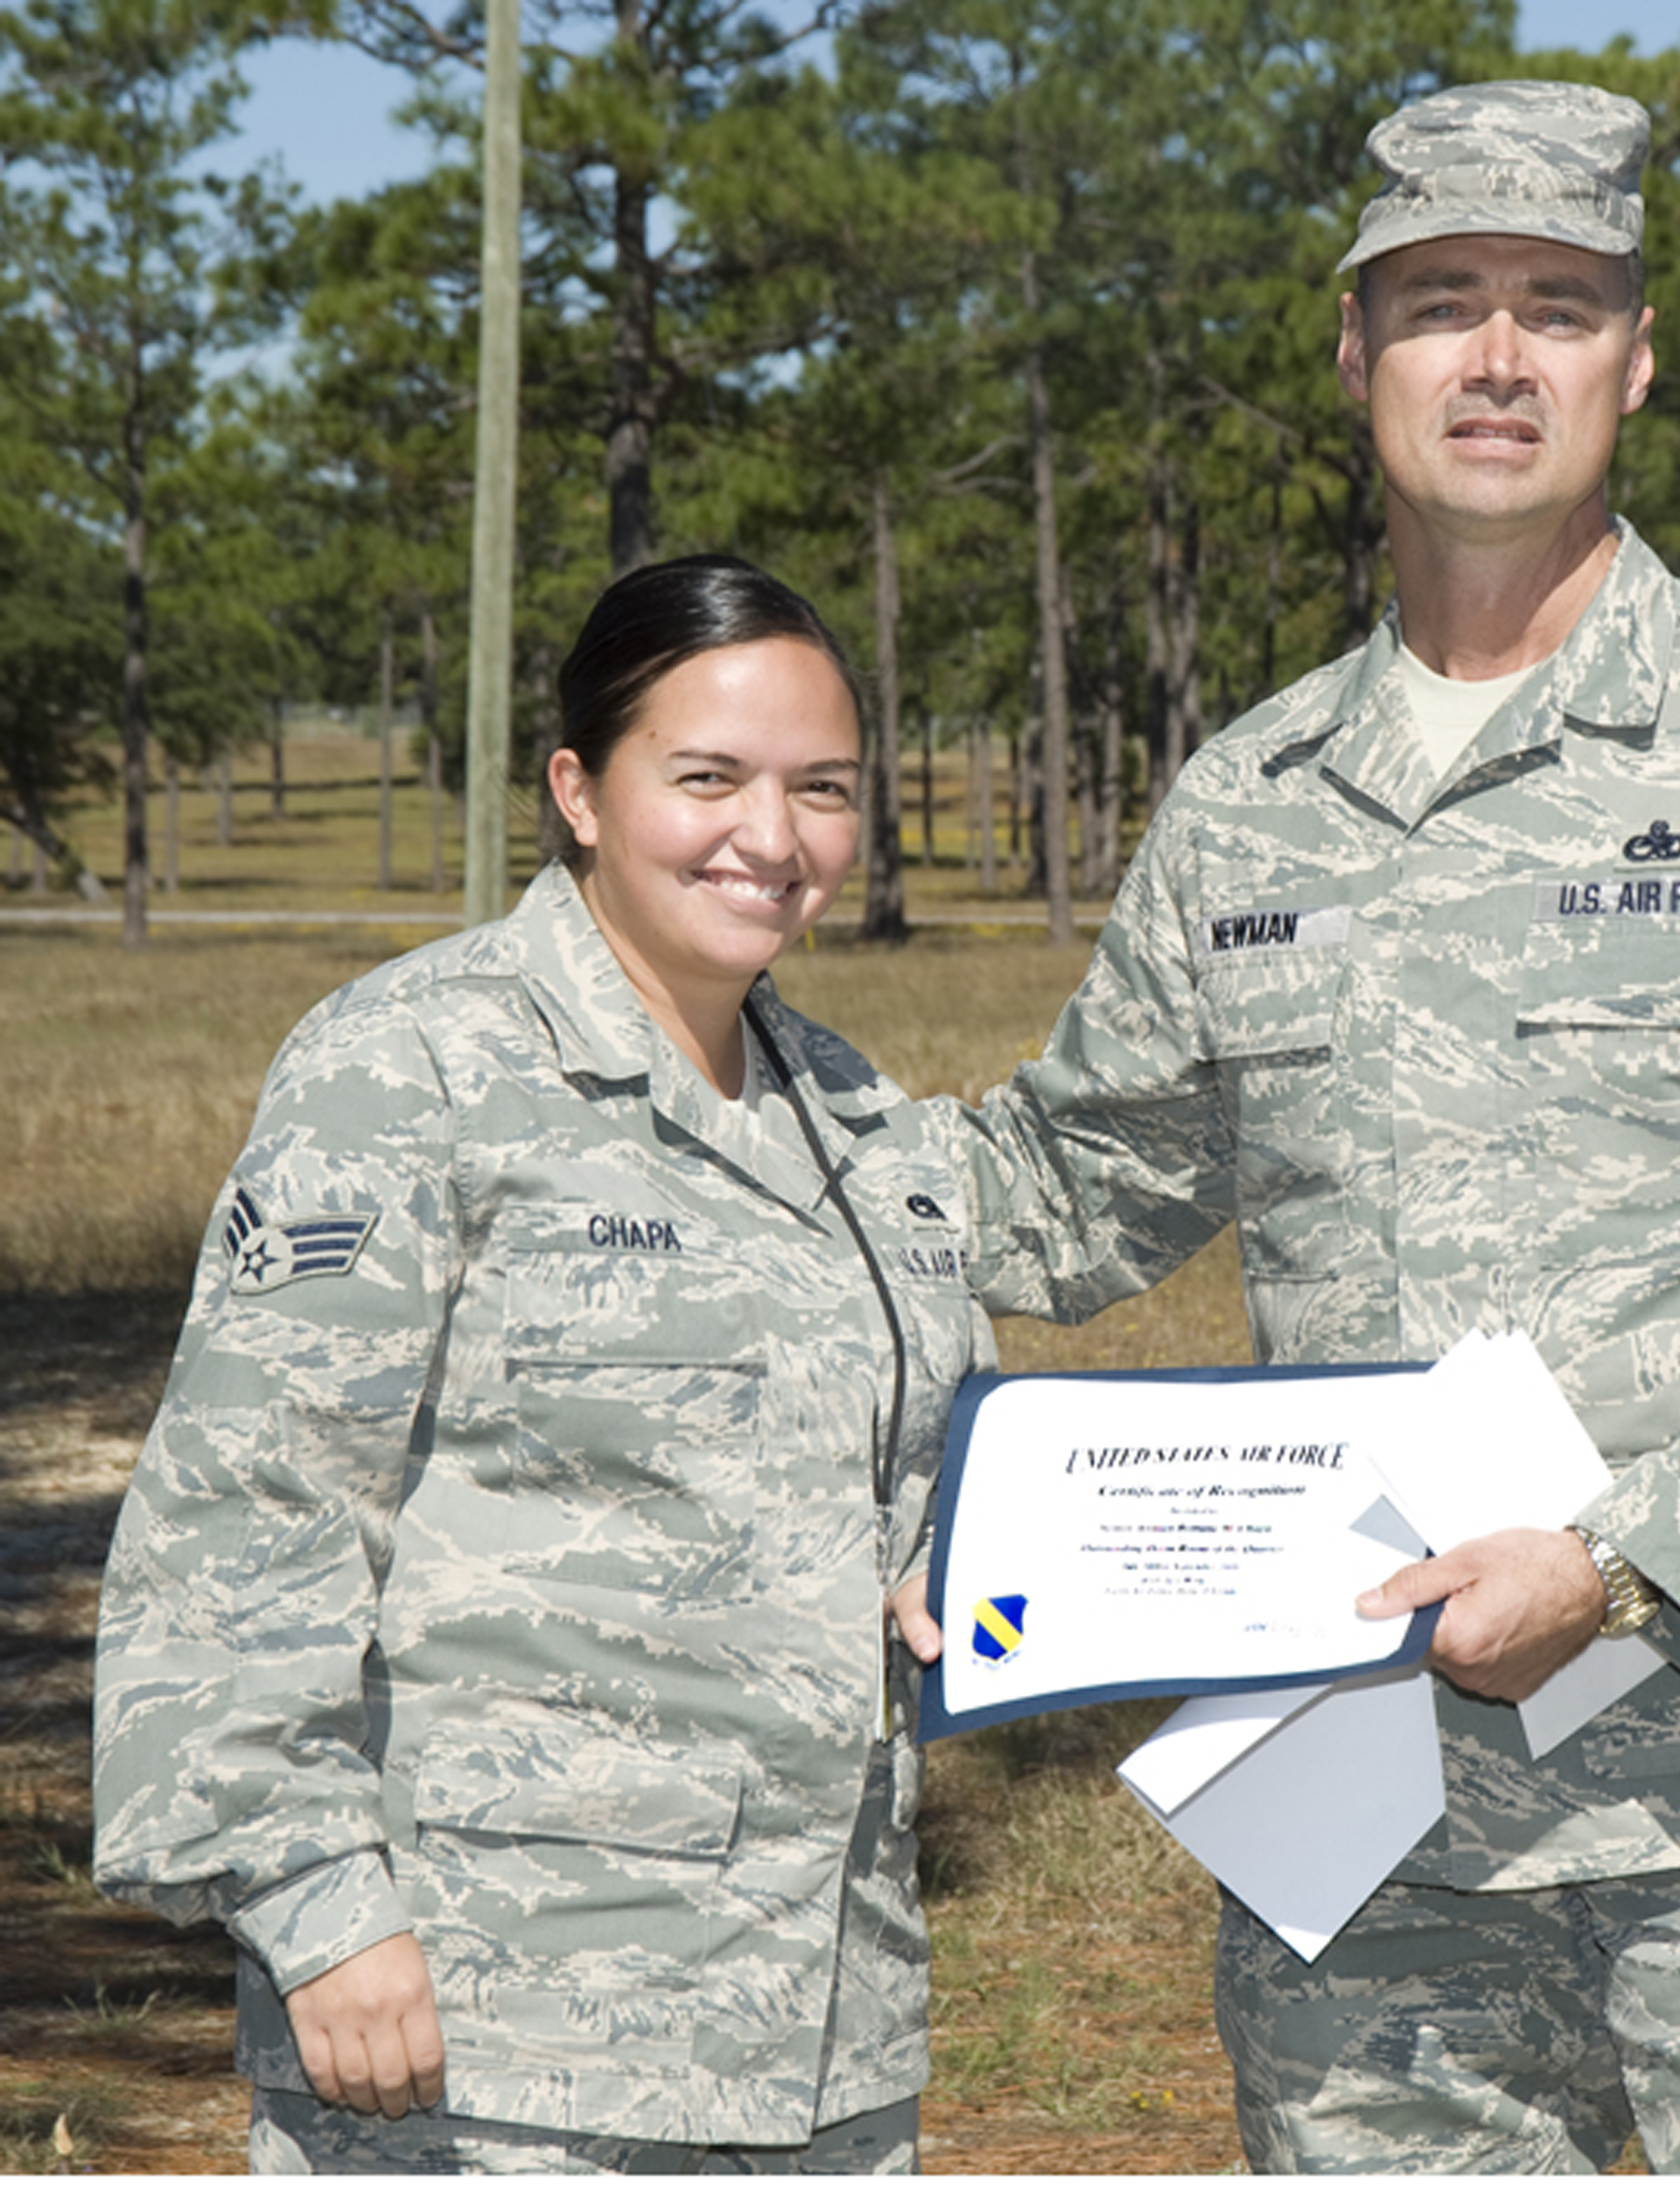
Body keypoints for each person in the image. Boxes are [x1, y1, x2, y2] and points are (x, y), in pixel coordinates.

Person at [926, 79, 1680, 2174]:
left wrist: (1618, 1568)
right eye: (1443, 301)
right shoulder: (1251, 796)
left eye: (1560, 302)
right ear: (1359, 358)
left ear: (1639, 353)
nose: (1500, 356)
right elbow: (1063, 1188)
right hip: (1363, 1838)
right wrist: (712, 1113)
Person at [93, 554, 992, 2175]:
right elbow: (244, 1510)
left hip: (825, 2038)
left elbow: (894, 1475)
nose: (773, 839)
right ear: (579, 790)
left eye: (825, 789)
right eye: (707, 777)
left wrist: (966, 1576)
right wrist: (316, 1909)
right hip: (495, 2044)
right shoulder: (412, 1071)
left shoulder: (856, 1115)